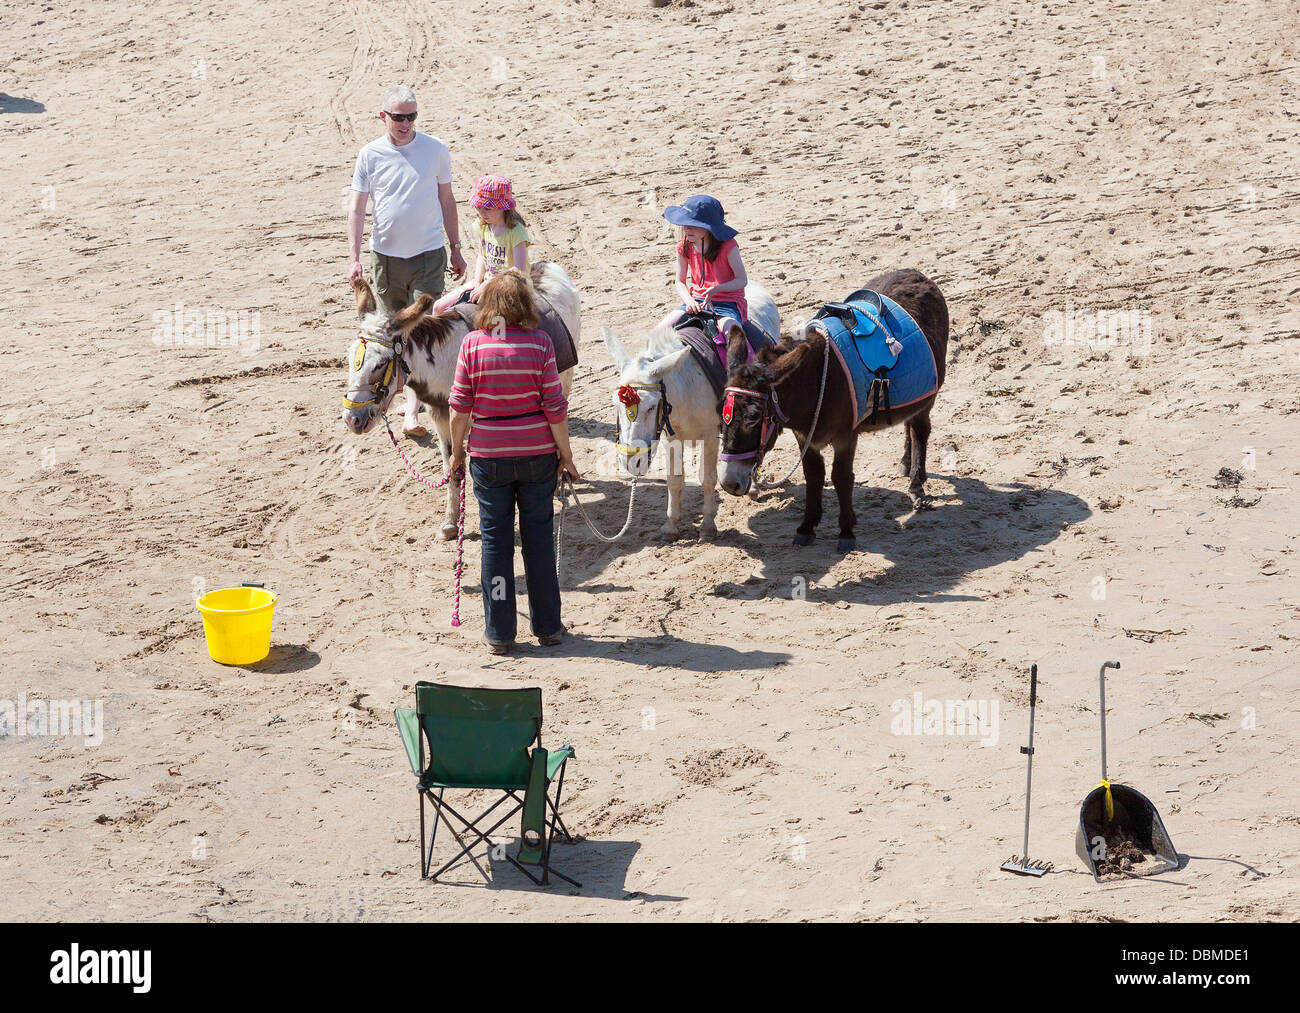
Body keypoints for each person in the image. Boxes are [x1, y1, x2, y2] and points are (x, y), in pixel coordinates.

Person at [447, 270, 580, 654]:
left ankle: (500, 633)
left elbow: (459, 409)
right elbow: (555, 407)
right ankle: (549, 628)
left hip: (489, 458)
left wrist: (457, 454)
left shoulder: (472, 346)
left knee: (495, 543)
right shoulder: (540, 344)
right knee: (538, 541)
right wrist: (566, 456)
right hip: (538, 456)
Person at [346, 84, 467, 436]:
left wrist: (456, 247)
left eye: (411, 116)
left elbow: (447, 199)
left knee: (419, 331)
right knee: (390, 336)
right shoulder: (370, 154)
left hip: (428, 255)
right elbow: (356, 207)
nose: (405, 123)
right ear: (383, 116)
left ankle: (414, 412)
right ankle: (401, 397)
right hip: (385, 258)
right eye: (398, 117)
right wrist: (354, 258)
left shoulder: (435, 150)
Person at [664, 194, 750, 360]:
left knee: (736, 342)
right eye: (685, 224)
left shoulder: (729, 246)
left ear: (709, 228)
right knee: (655, 336)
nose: (687, 229)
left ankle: (749, 375)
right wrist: (689, 302)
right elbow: (679, 282)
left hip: (727, 304)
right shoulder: (683, 246)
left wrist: (717, 288)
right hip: (696, 302)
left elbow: (742, 280)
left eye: (694, 225)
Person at [435, 175, 531, 311]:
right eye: (479, 207)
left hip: (512, 285)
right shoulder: (483, 225)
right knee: (438, 307)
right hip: (486, 282)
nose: (482, 212)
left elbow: (518, 269)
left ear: (503, 207)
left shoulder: (516, 231)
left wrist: (487, 285)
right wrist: (477, 282)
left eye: (488, 208)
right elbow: (482, 256)